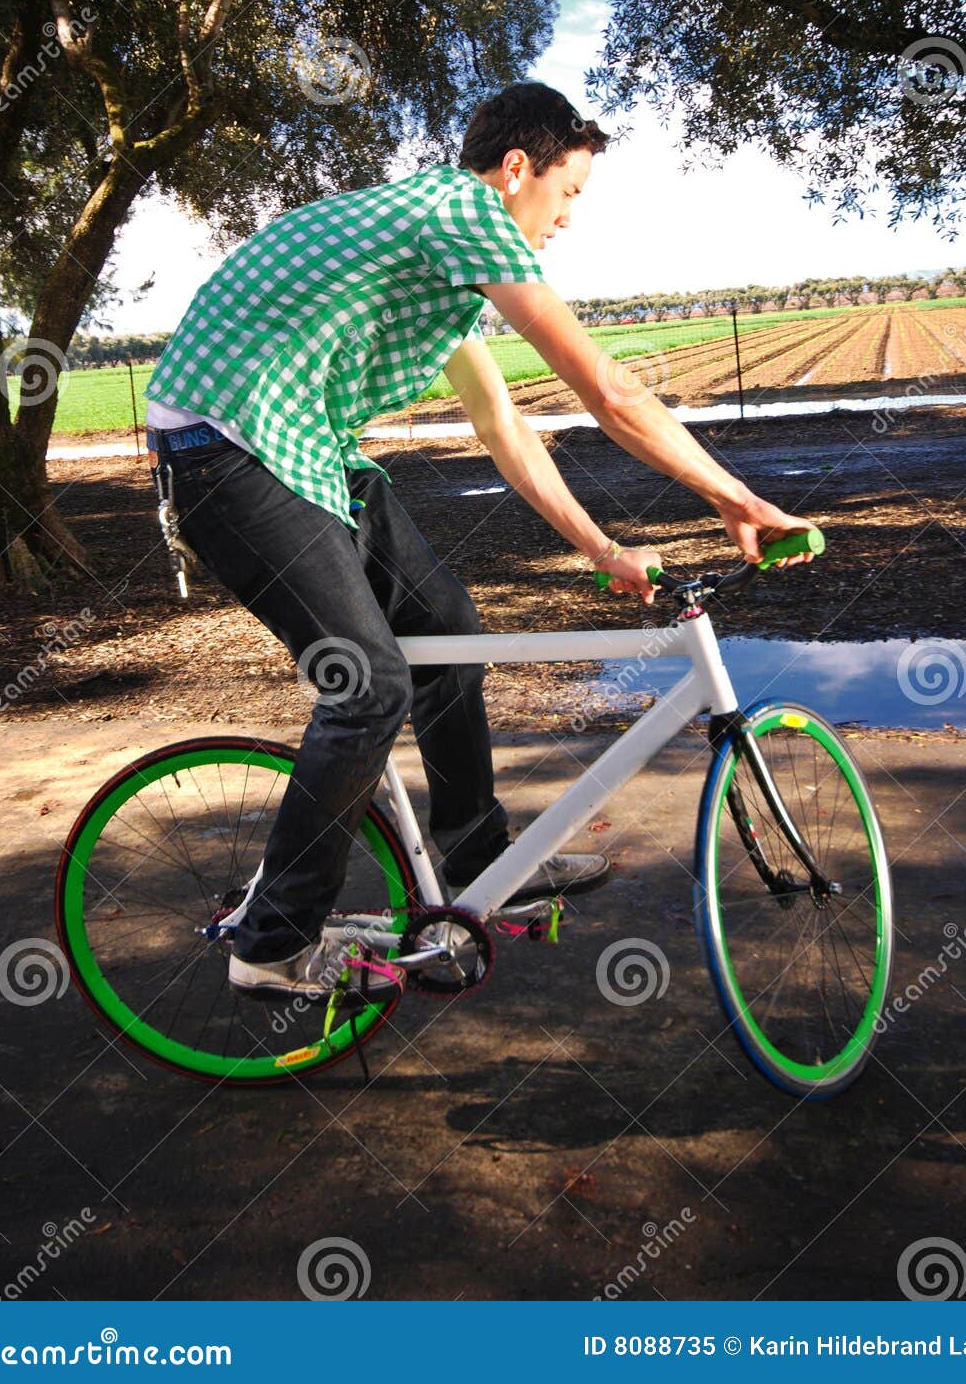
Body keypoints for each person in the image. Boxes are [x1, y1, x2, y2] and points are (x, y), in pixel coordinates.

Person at [144, 81, 812, 1001]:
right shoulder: (461, 217)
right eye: (568, 192)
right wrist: (736, 495)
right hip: (219, 447)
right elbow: (607, 390)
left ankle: (474, 863)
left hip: (303, 448)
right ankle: (271, 945)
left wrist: (602, 550)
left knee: (447, 634)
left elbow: (507, 432)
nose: (569, 218)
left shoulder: (431, 246)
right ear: (514, 172)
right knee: (368, 686)